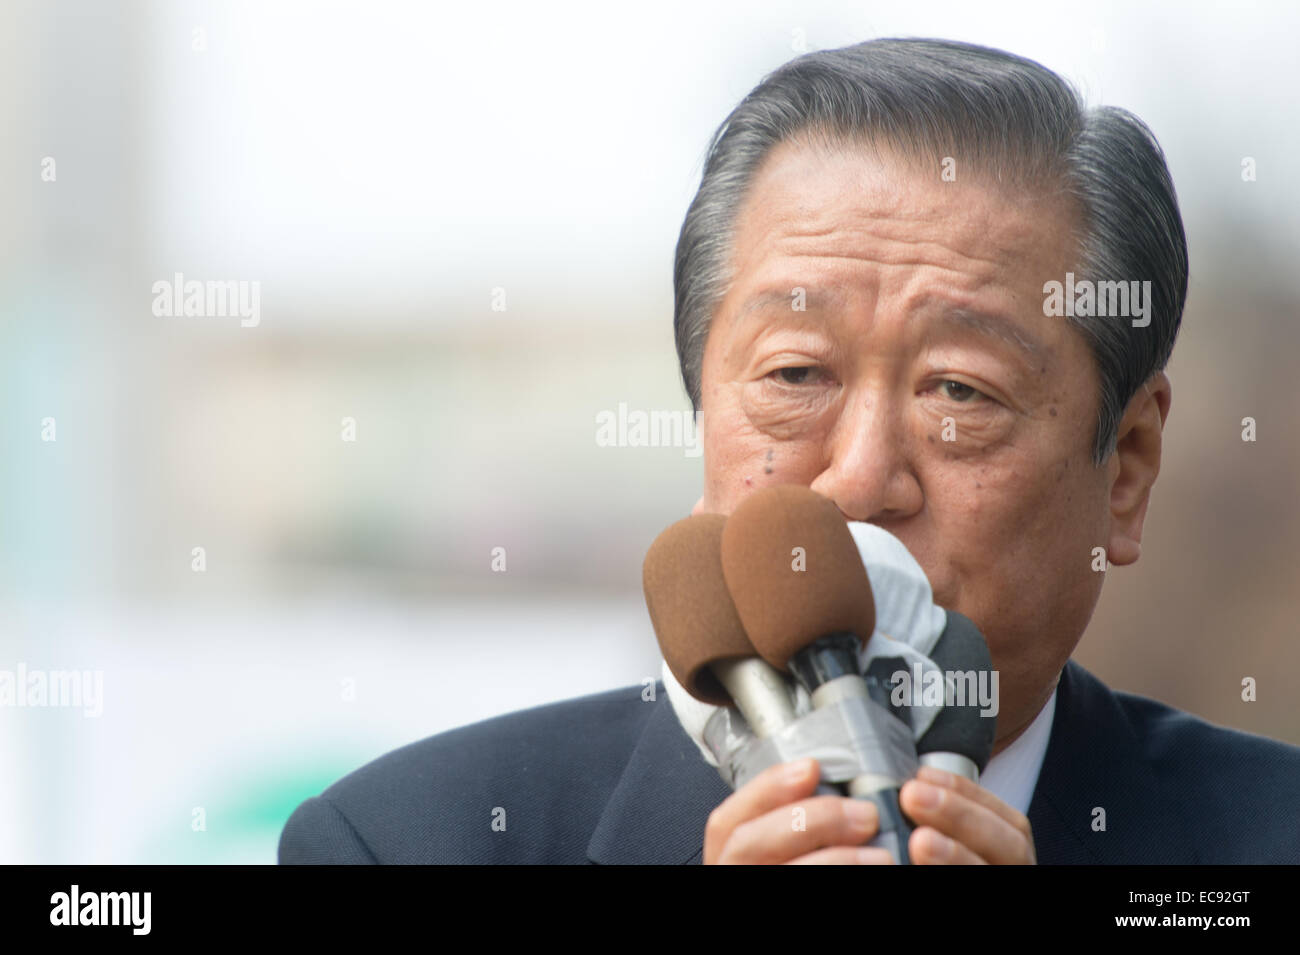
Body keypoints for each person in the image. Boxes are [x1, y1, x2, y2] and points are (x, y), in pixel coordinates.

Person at [278, 37, 1300, 865]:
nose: (857, 480)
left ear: (1124, 470)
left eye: (958, 391)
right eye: (795, 377)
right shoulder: (406, 842)